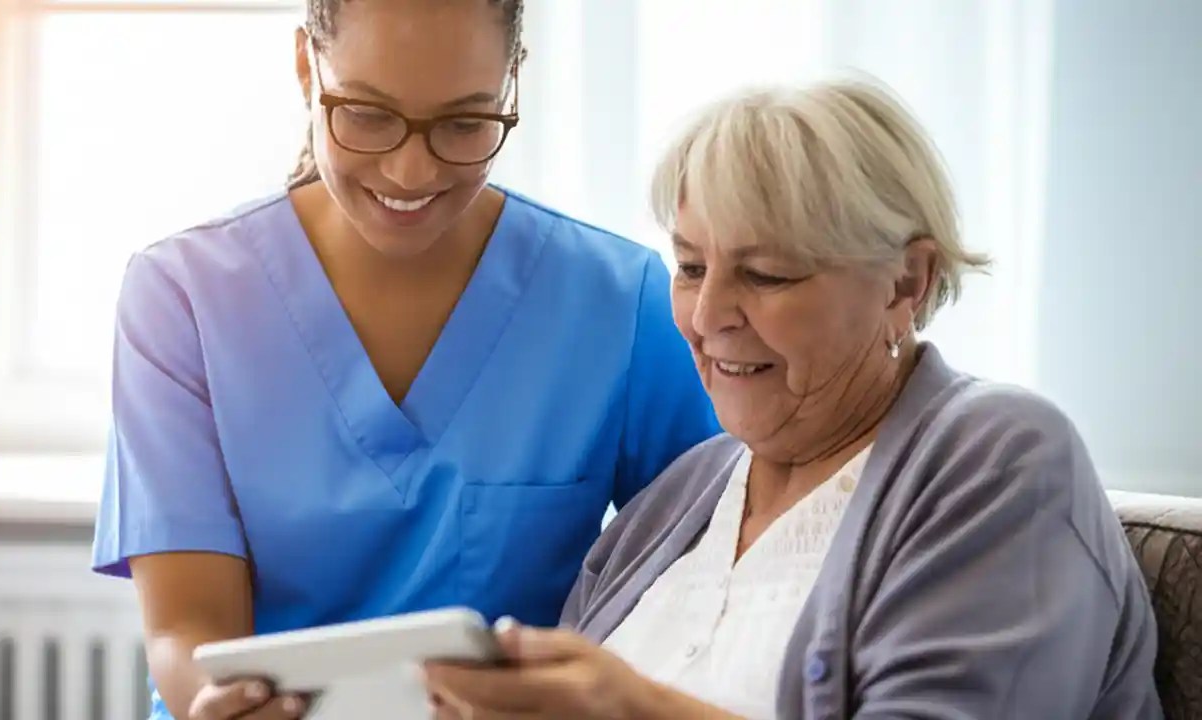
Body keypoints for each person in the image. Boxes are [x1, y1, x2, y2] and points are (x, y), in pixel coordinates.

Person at [424, 76, 1164, 719]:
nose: (708, 316)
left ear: (907, 282)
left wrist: (632, 708)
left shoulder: (1002, 460)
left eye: (768, 275)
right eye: (688, 266)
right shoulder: (678, 497)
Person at [90, 1, 719, 718]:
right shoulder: (182, 298)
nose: (411, 170)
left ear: (513, 82)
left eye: (463, 123)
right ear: (306, 67)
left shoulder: (621, 303)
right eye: (366, 114)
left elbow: (705, 589)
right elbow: (186, 628)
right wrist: (221, 703)